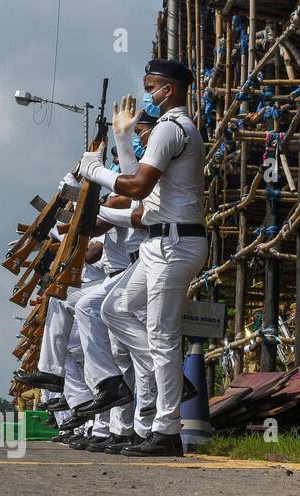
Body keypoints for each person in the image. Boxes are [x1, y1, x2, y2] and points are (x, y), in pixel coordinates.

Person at [80, 58, 208, 458]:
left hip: (175, 244)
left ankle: (166, 431)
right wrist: (120, 138)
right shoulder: (168, 130)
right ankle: (165, 377)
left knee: (162, 335)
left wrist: (96, 171)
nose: (146, 95)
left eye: (151, 87)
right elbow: (142, 189)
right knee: (114, 309)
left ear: (167, 89)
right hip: (157, 244)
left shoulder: (172, 129)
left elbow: (136, 186)